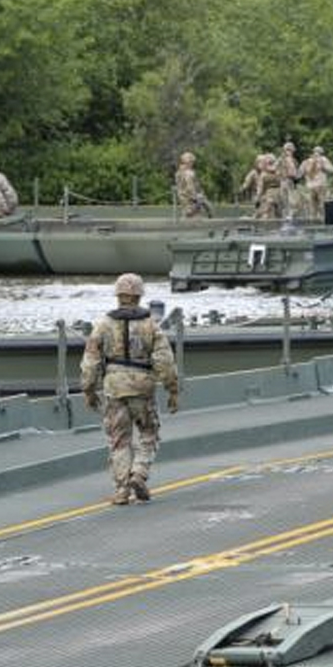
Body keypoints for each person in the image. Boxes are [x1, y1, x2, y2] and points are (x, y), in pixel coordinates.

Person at [80, 273, 180, 505]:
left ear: (118, 295)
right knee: (148, 432)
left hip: (114, 388)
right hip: (142, 388)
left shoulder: (103, 325)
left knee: (119, 440)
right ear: (139, 296)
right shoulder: (151, 325)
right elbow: (165, 362)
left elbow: (91, 360)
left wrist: (88, 390)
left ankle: (122, 490)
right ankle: (139, 473)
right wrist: (173, 390)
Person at [174, 151, 211, 218]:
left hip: (183, 202)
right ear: (189, 162)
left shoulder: (178, 173)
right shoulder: (189, 173)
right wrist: (198, 197)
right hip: (192, 203)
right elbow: (190, 188)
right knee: (196, 218)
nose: (193, 164)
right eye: (192, 162)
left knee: (186, 217)